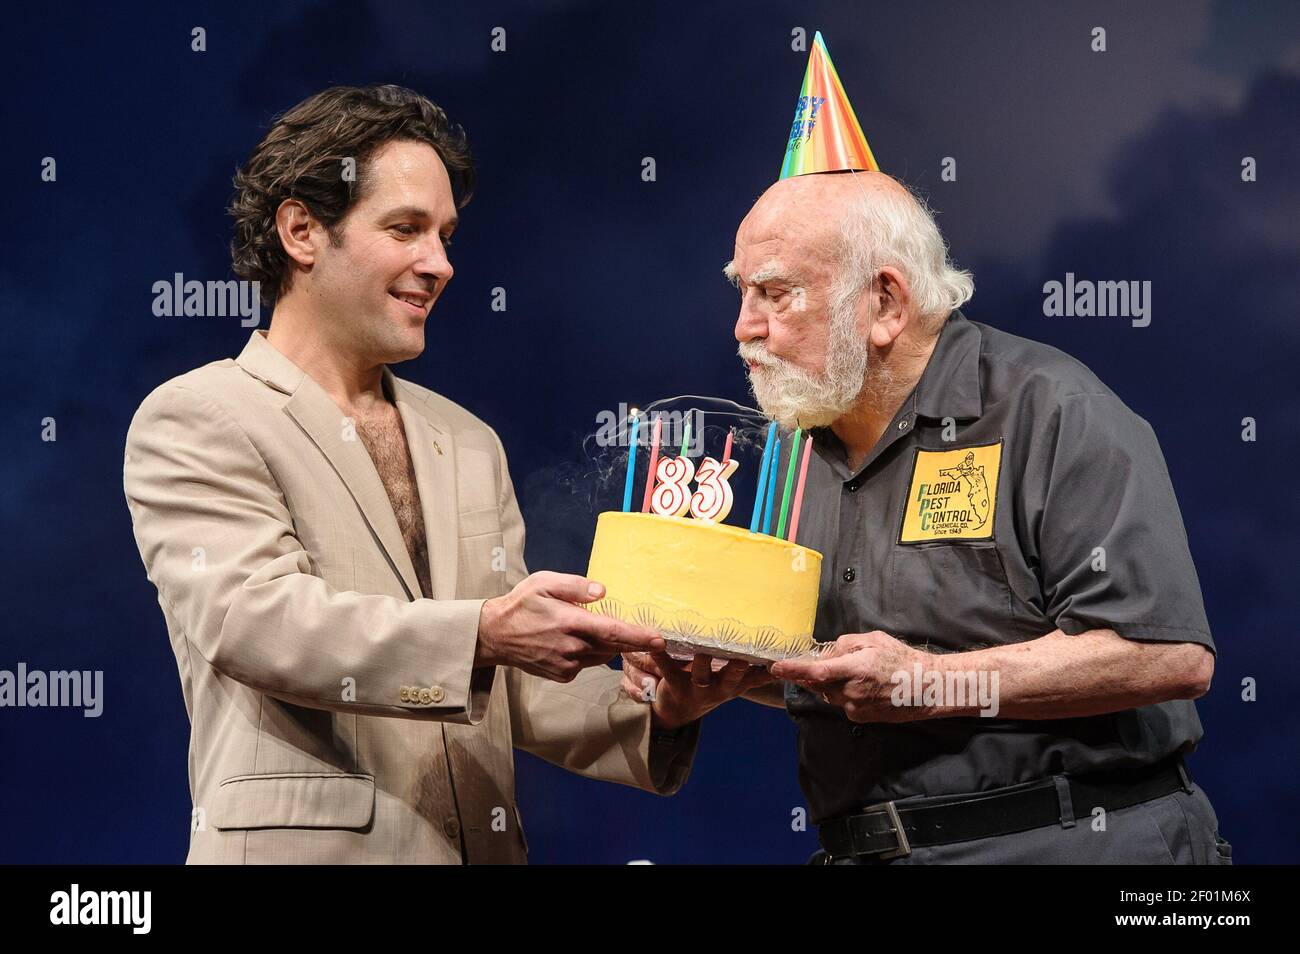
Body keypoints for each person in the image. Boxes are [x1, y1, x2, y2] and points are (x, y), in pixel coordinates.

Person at [122, 84, 744, 864]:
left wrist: (665, 710)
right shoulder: (197, 416)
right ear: (302, 230)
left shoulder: (468, 440)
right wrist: (483, 632)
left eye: (447, 235)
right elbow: (255, 623)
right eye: (406, 229)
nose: (440, 264)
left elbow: (512, 685)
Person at [626, 170, 1231, 865]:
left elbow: (1169, 656)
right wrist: (716, 670)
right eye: (740, 293)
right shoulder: (798, 449)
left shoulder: (1052, 409)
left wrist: (928, 683)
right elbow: (840, 674)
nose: (744, 328)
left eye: (775, 293)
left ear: (885, 301)